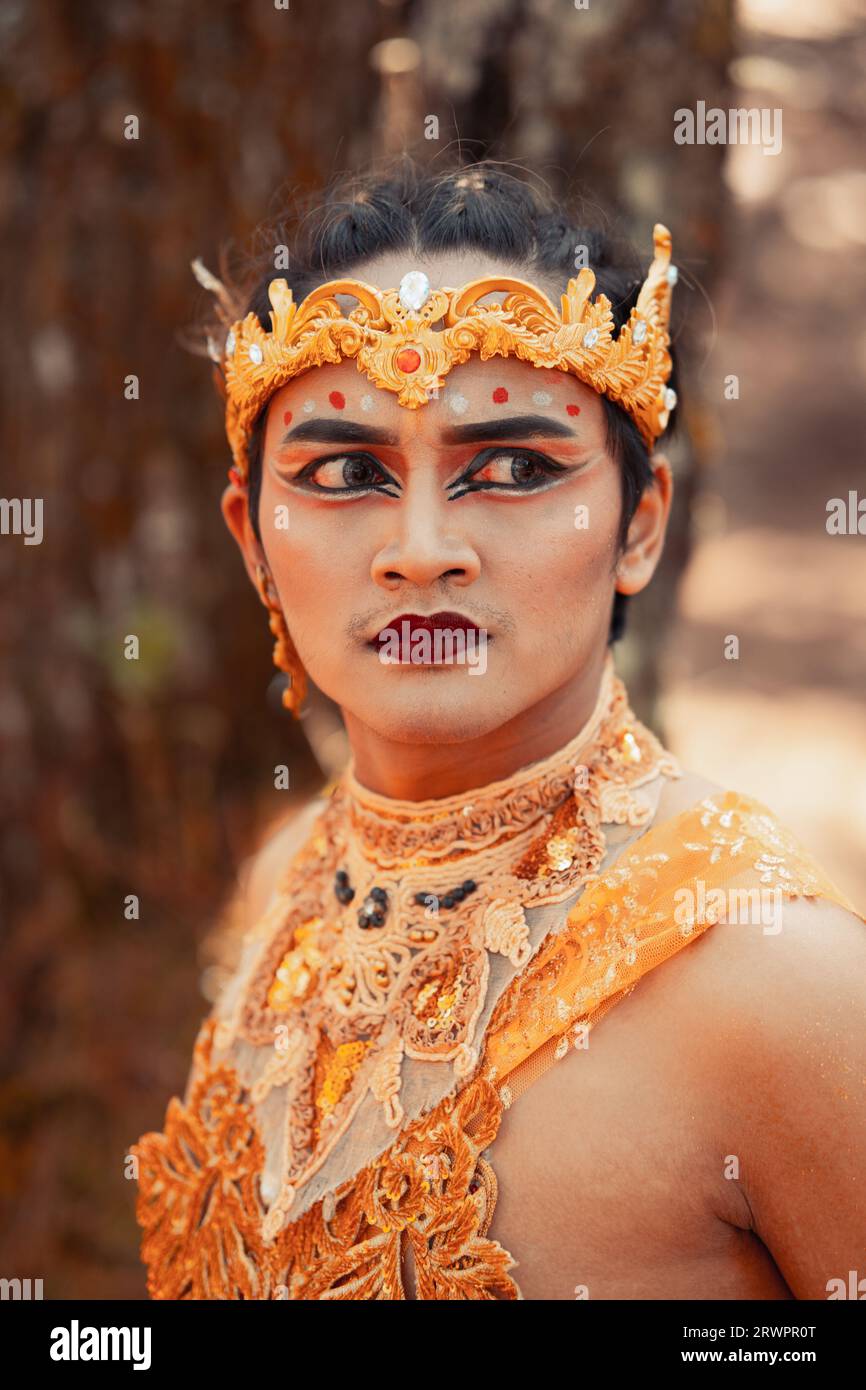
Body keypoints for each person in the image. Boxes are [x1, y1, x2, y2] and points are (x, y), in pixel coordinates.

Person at [131, 157, 866, 1301]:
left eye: (514, 466)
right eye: (345, 470)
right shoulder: (283, 886)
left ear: (637, 525)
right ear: (251, 540)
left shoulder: (778, 990)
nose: (421, 551)